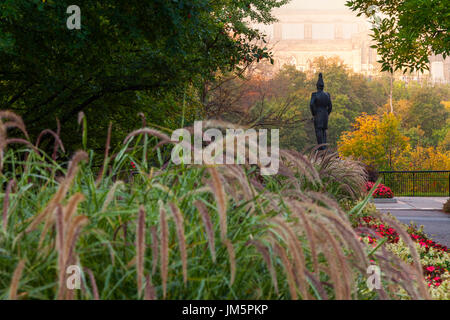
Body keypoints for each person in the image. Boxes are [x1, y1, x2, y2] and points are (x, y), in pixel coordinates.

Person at [309, 73, 332, 150]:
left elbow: (311, 104)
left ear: (317, 86)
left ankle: (320, 148)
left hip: (318, 113)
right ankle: (324, 147)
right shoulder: (327, 94)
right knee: (324, 131)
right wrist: (327, 113)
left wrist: (314, 113)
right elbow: (330, 106)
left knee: (318, 130)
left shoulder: (314, 94)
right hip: (325, 114)